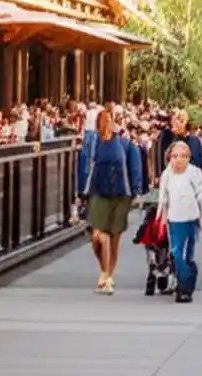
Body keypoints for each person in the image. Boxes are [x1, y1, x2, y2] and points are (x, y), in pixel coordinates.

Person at [78, 110, 144, 295]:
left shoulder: (124, 144)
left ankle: (107, 274)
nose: (106, 123)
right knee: (97, 235)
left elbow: (134, 166)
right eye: (102, 120)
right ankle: (104, 269)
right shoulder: (93, 143)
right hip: (98, 191)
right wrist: (81, 190)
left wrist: (137, 190)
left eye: (109, 120)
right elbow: (84, 165)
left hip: (120, 192)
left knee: (113, 237)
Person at [157, 141, 202, 303]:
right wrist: (160, 218)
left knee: (187, 254)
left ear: (189, 158)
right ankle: (183, 285)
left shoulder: (195, 174)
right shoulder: (167, 175)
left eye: (183, 156)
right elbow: (164, 198)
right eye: (175, 156)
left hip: (191, 219)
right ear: (169, 158)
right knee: (176, 253)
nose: (178, 160)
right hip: (174, 220)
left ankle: (188, 281)